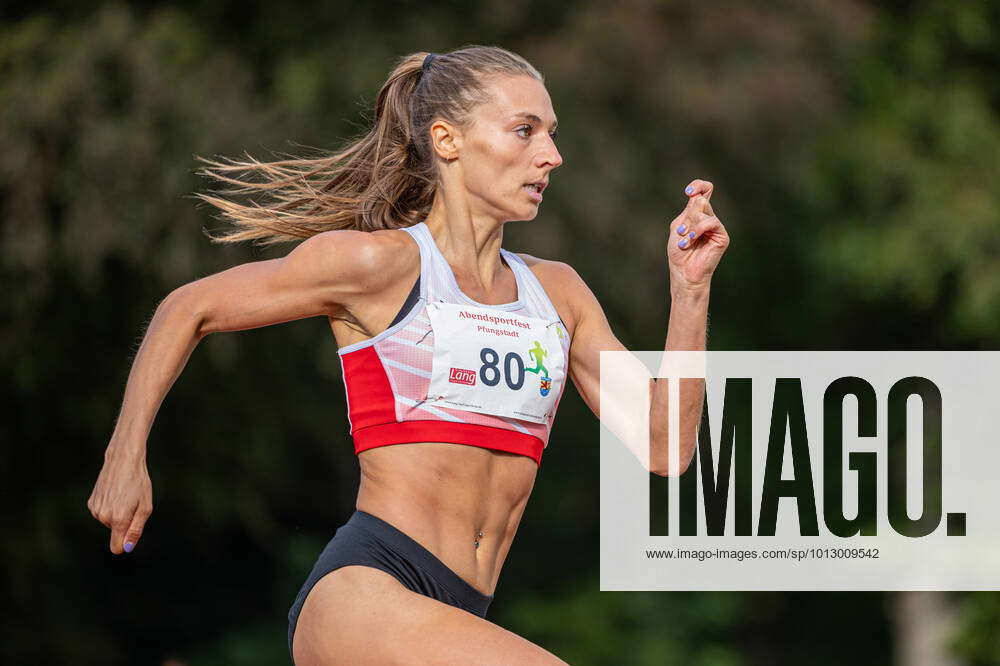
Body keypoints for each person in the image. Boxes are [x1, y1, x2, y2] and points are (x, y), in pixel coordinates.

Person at [86, 45, 729, 665]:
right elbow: (187, 308)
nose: (552, 156)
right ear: (447, 141)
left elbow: (664, 445)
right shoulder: (381, 265)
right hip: (366, 589)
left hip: (459, 613)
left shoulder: (556, 293)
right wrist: (125, 453)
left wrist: (689, 288)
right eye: (525, 131)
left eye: (552, 134)